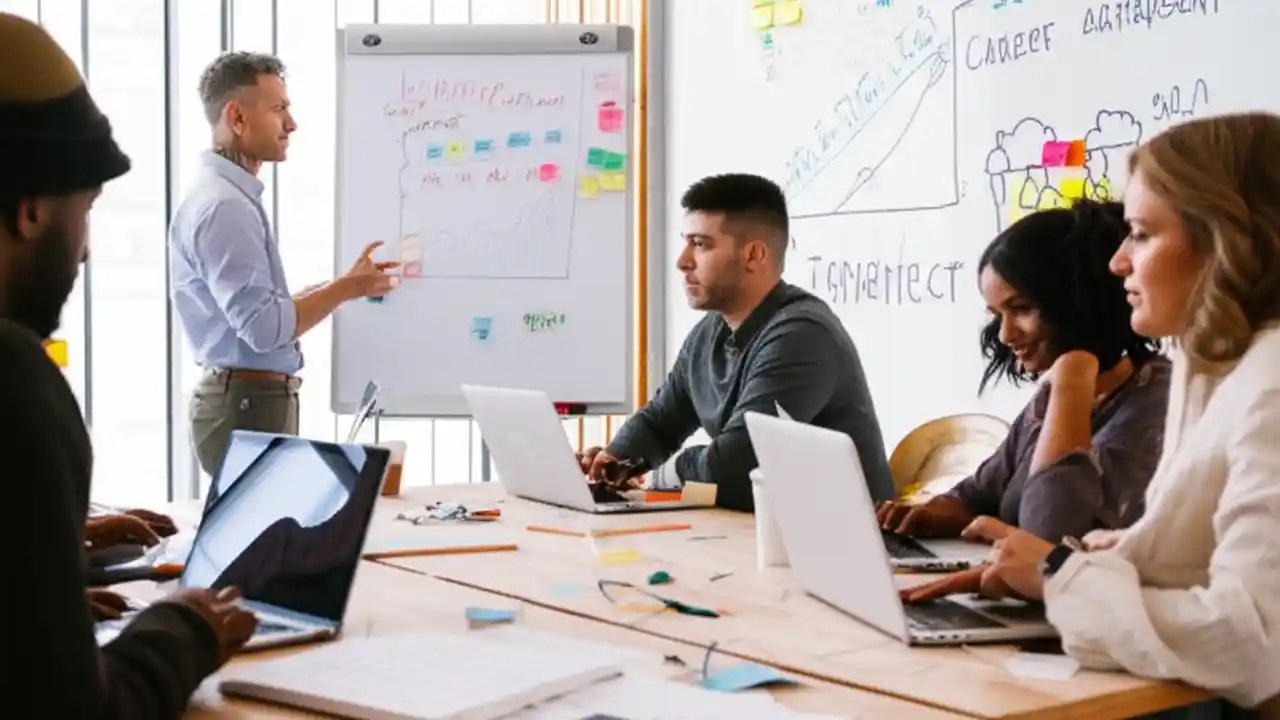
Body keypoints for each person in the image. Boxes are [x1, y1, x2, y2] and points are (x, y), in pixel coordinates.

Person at [963, 113, 1280, 718]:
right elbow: (1192, 559)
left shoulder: (1270, 385)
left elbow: (1250, 640)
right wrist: (1086, 560)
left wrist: (1059, 573)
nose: (1117, 262)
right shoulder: (1211, 364)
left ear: (1225, 239)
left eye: (1139, 234)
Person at [0, 12, 256, 716]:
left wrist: (53, 583)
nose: (84, 247)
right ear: (31, 209)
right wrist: (181, 630)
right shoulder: (12, 379)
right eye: (85, 208)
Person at [877, 200, 1169, 580]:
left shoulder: (1154, 407)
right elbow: (976, 496)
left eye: (1021, 309)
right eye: (998, 315)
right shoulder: (1049, 400)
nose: (1004, 335)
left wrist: (1071, 378)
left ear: (1077, 302)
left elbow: (1050, 544)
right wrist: (926, 516)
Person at [578, 173, 893, 511]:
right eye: (686, 242)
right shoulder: (712, 329)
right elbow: (660, 422)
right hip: (761, 528)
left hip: (838, 534)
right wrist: (614, 460)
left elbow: (732, 470)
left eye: (701, 244)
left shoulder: (803, 336)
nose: (682, 261)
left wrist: (665, 473)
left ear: (754, 255)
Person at [170, 50, 399, 476]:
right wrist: (348, 288)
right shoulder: (225, 207)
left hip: (247, 401)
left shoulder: (225, 196)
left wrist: (338, 285)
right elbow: (263, 329)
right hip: (247, 405)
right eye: (279, 109)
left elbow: (258, 313)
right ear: (237, 117)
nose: (291, 124)